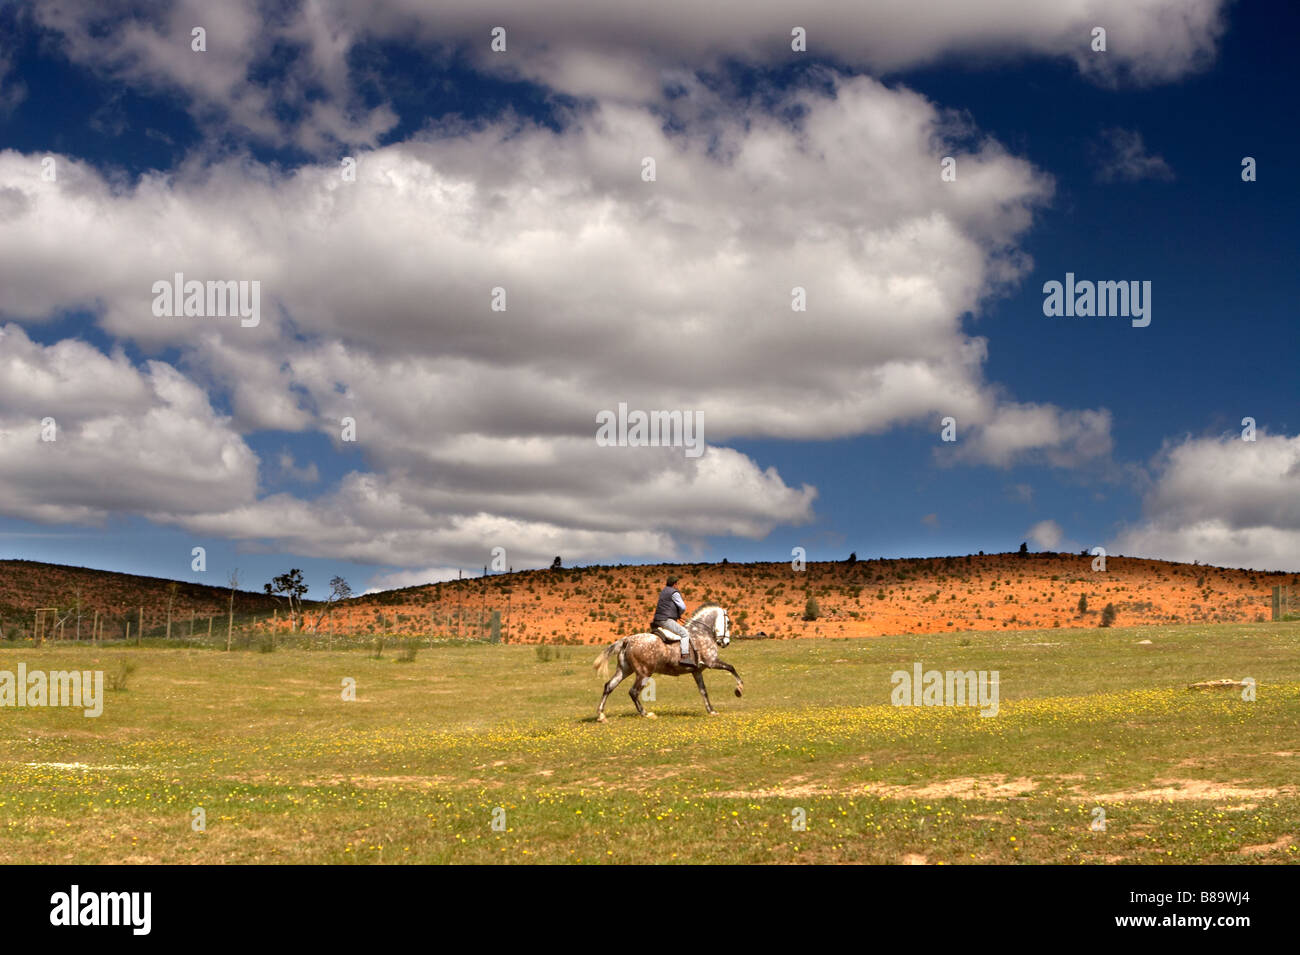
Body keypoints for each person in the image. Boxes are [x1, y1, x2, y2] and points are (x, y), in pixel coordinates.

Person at [652, 574, 694, 664]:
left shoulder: (663, 591)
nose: (677, 586)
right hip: (666, 619)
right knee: (685, 633)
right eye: (677, 584)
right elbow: (682, 607)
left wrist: (677, 616)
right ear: (675, 584)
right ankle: (685, 657)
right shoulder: (674, 592)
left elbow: (666, 607)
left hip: (657, 619)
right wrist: (680, 613)